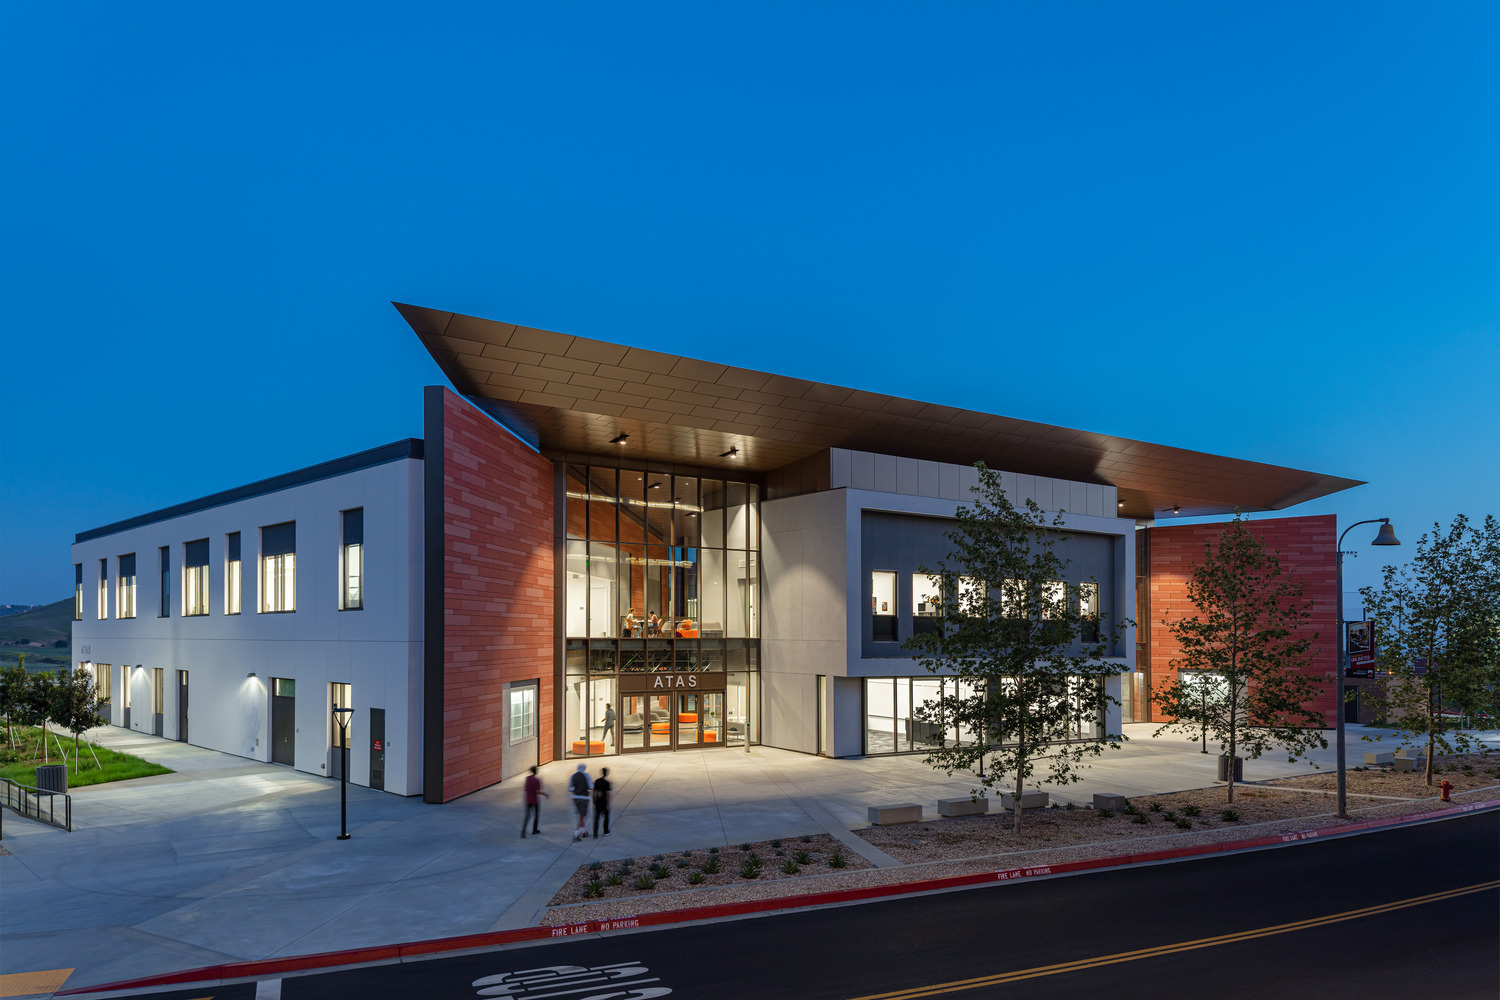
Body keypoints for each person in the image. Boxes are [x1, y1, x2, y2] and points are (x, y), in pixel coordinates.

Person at [521, 766, 547, 838]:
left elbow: (525, 789)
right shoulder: (536, 780)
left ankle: (523, 832)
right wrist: (545, 794)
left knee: (527, 816)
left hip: (528, 799)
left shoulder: (527, 778)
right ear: (536, 771)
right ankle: (534, 830)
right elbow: (537, 792)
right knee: (536, 815)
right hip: (535, 800)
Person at [568, 763, 592, 841]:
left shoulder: (573, 776)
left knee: (581, 815)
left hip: (575, 798)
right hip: (584, 798)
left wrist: (575, 790)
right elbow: (591, 787)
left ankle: (584, 832)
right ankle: (575, 835)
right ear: (584, 768)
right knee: (582, 817)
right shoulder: (586, 775)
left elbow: (570, 788)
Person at [592, 767, 612, 838]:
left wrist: (593, 799)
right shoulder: (607, 783)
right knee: (606, 817)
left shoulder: (597, 781)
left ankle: (595, 832)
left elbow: (594, 791)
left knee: (597, 817)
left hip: (598, 802)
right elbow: (608, 794)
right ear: (607, 773)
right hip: (604, 803)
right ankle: (605, 831)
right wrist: (608, 804)